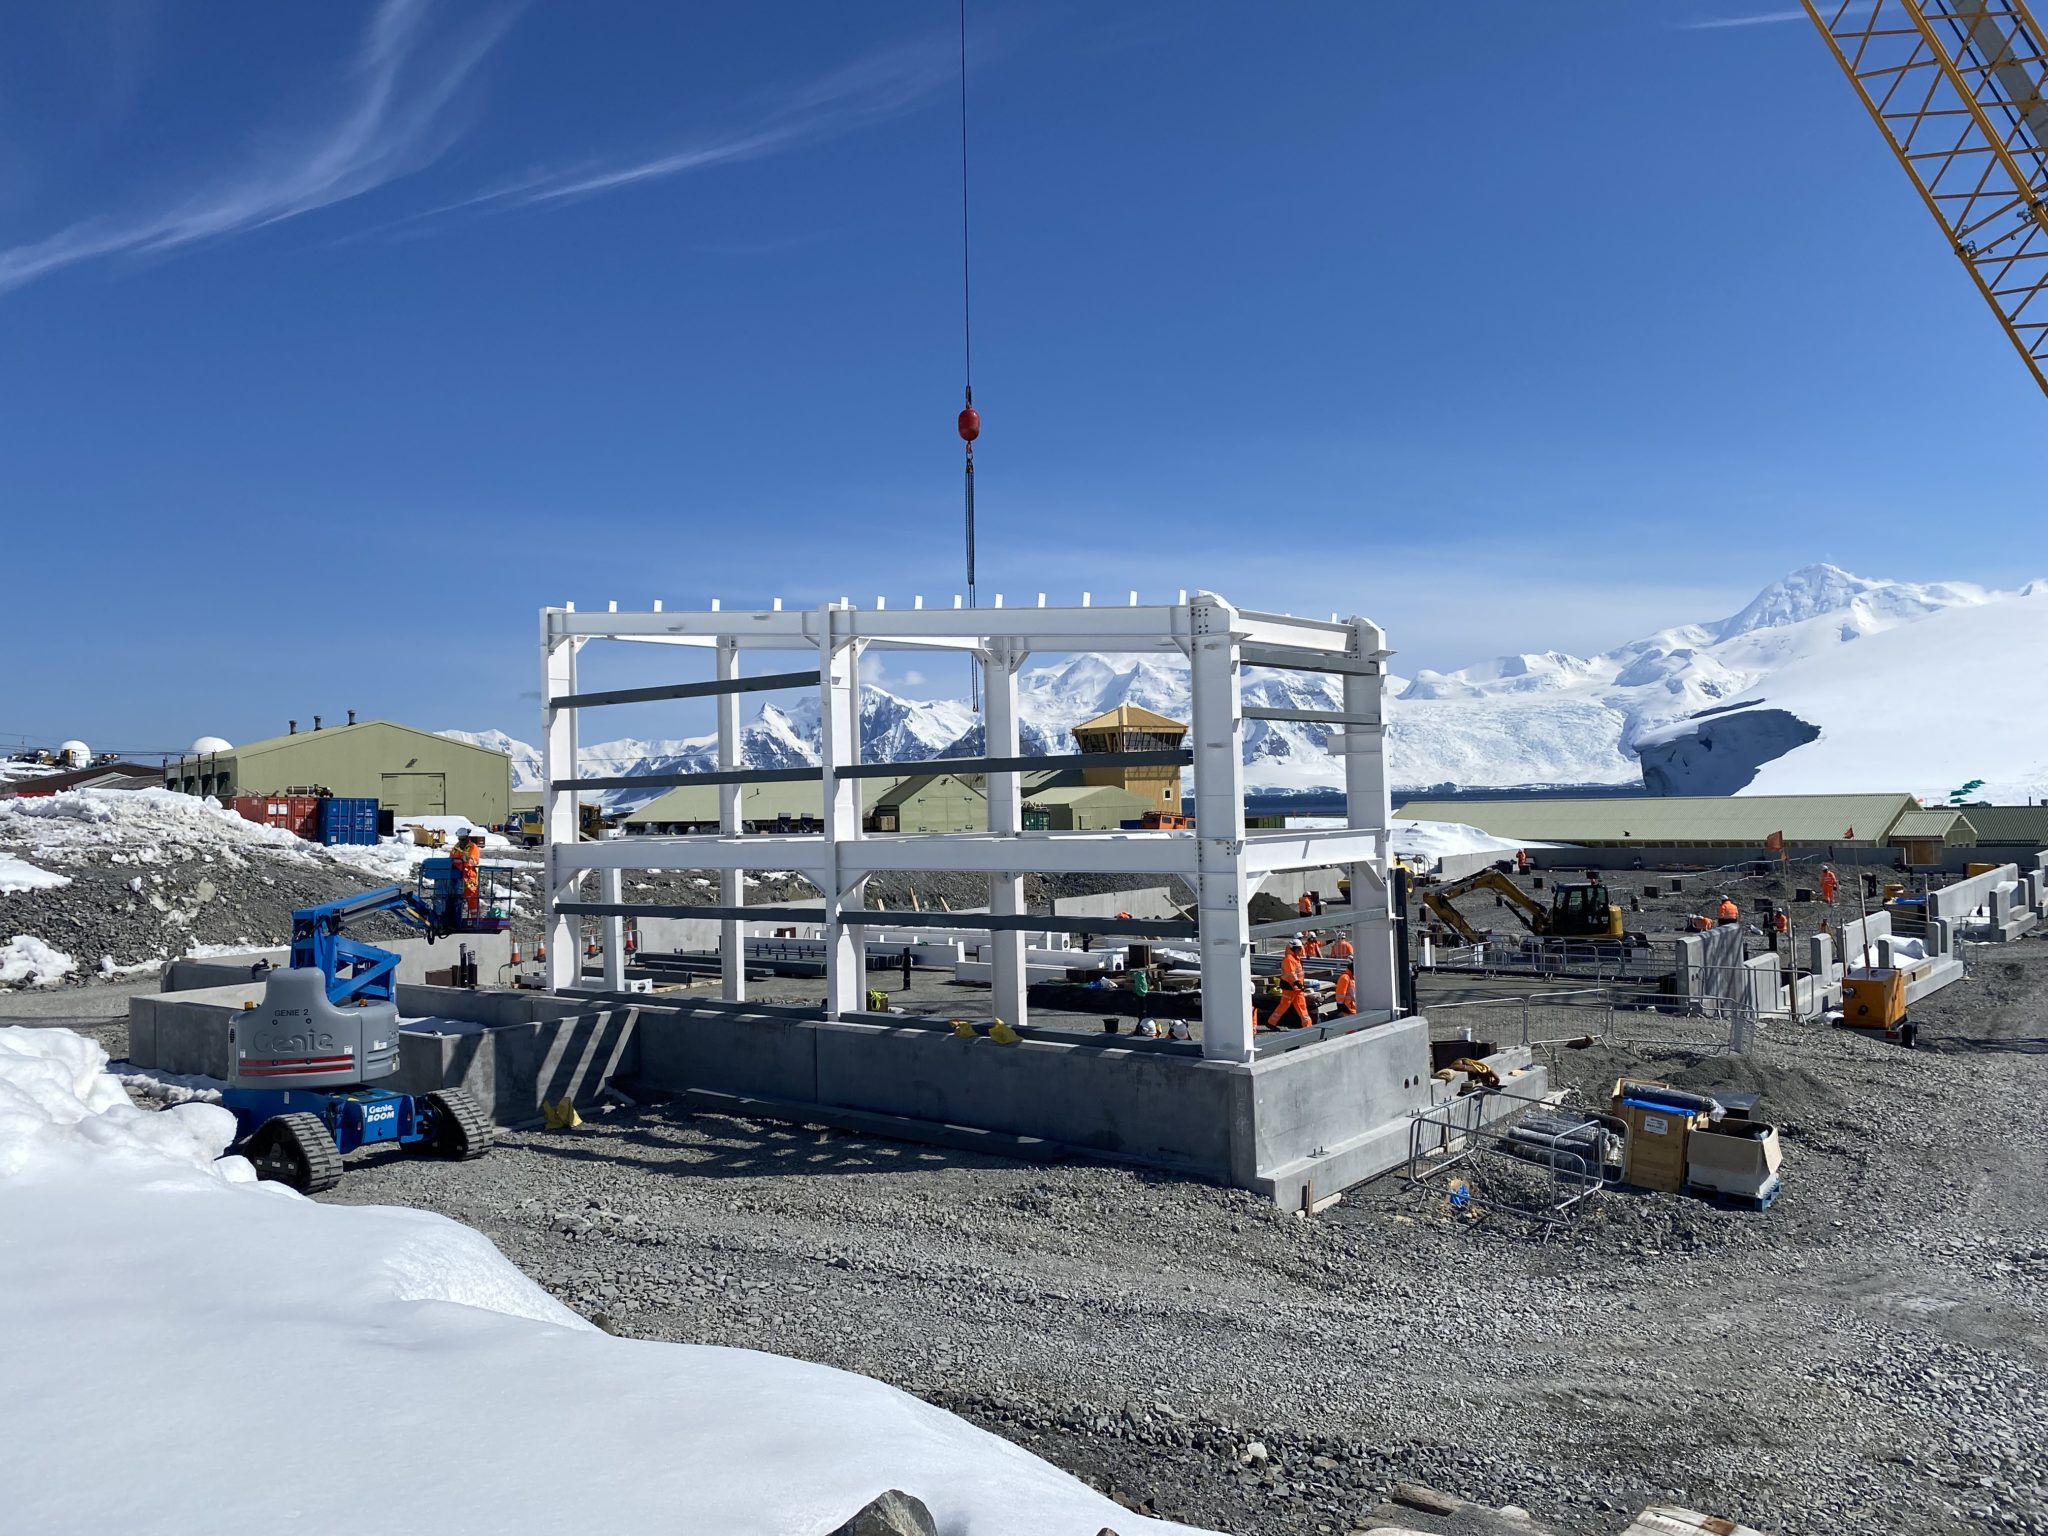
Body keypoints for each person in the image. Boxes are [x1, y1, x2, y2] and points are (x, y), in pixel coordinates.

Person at [1265, 940, 1314, 1030]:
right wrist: (1298, 983)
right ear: (1294, 949)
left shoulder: (1295, 958)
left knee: (1302, 1007)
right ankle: (1271, 1022)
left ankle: (1308, 1026)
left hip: (1296, 988)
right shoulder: (1289, 959)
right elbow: (1290, 973)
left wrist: (1299, 985)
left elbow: (1296, 973)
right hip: (1290, 987)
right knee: (1284, 1006)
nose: (1301, 950)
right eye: (1299, 949)